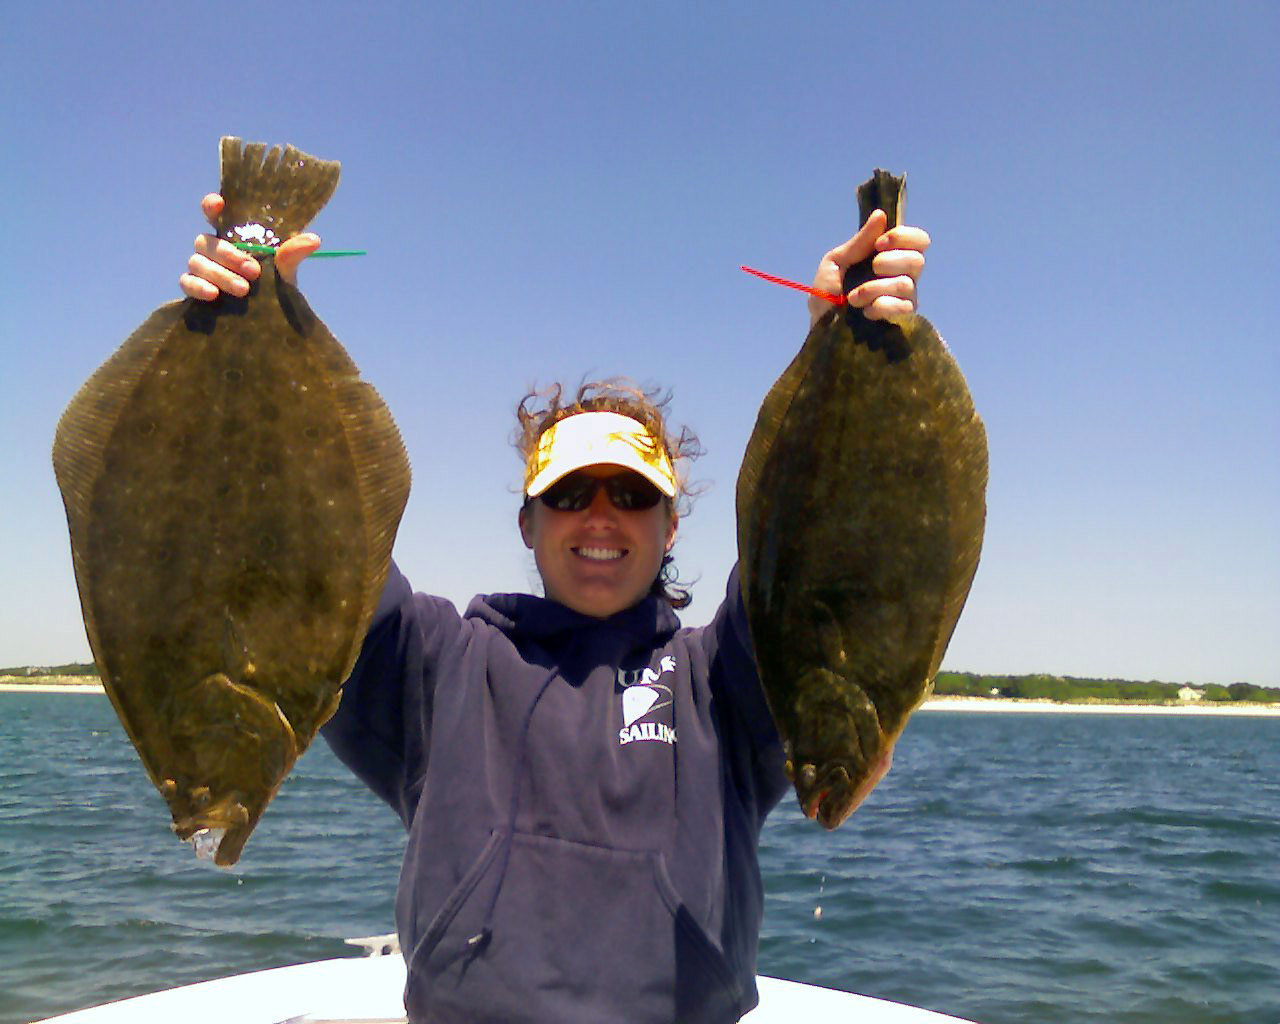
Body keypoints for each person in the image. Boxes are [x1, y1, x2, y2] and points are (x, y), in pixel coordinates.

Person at [180, 195, 928, 1023]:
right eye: (570, 494)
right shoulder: (436, 665)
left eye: (632, 494)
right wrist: (250, 317)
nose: (600, 516)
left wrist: (845, 330)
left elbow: (829, 541)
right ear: (528, 522)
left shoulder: (727, 684)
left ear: (671, 523)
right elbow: (301, 549)